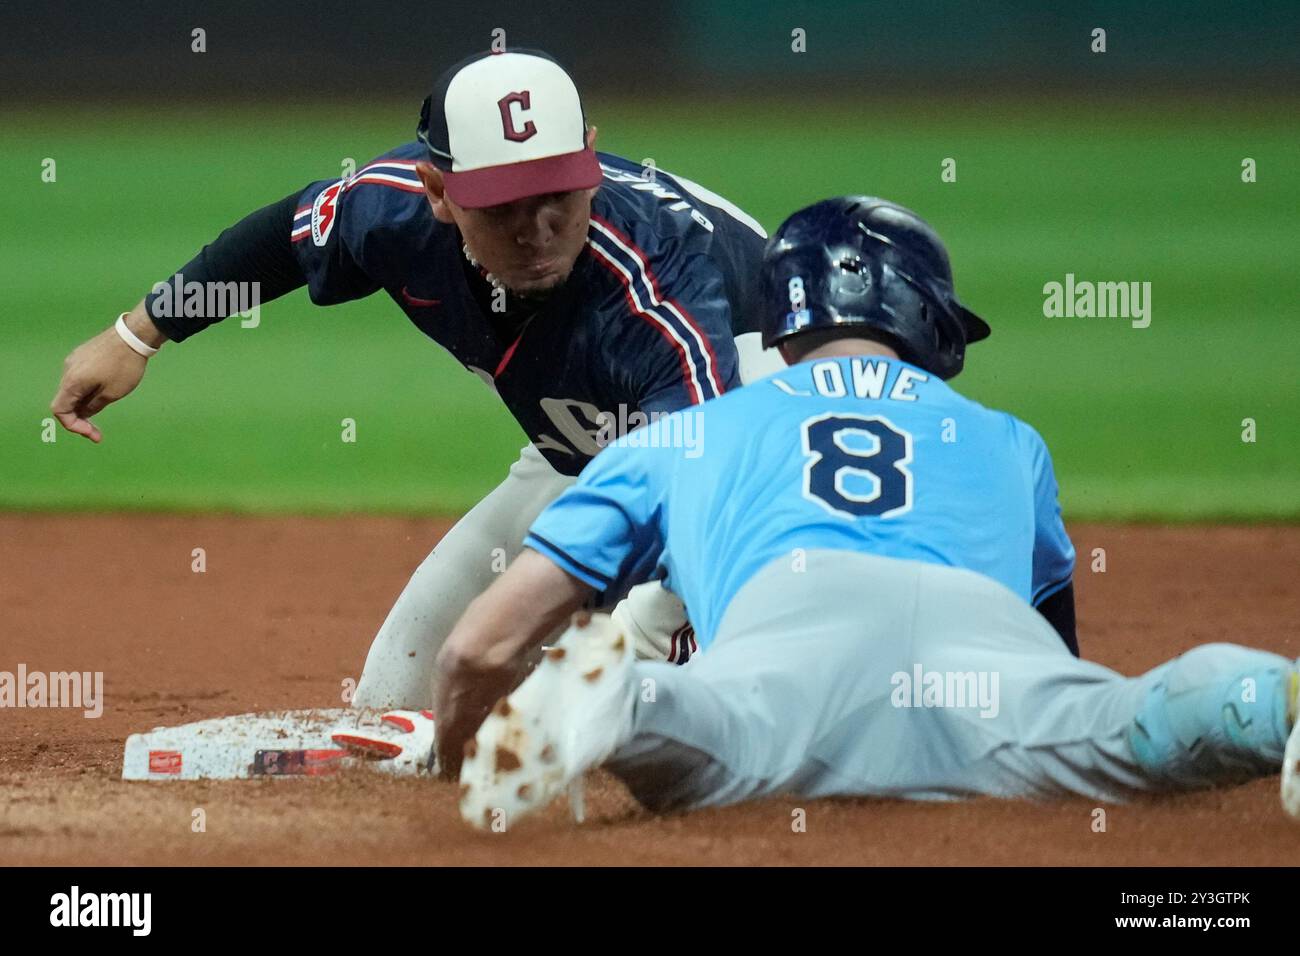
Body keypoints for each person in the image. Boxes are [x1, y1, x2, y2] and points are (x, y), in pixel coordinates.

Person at [431, 196, 1300, 829]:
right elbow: (1058, 643)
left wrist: (457, 752)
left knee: (702, 729)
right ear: (923, 314)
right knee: (1136, 721)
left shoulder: (687, 434)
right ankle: (1277, 705)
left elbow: (482, 644)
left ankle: (617, 700)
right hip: (988, 662)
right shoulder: (1010, 441)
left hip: (786, 652)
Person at [49, 49, 781, 710]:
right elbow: (285, 239)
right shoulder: (389, 209)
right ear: (437, 190)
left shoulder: (660, 282)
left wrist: (615, 655)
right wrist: (138, 334)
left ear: (589, 160)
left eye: (557, 194)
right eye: (502, 206)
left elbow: (699, 486)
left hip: (759, 460)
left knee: (636, 699)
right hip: (594, 444)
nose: (536, 229)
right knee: (395, 695)